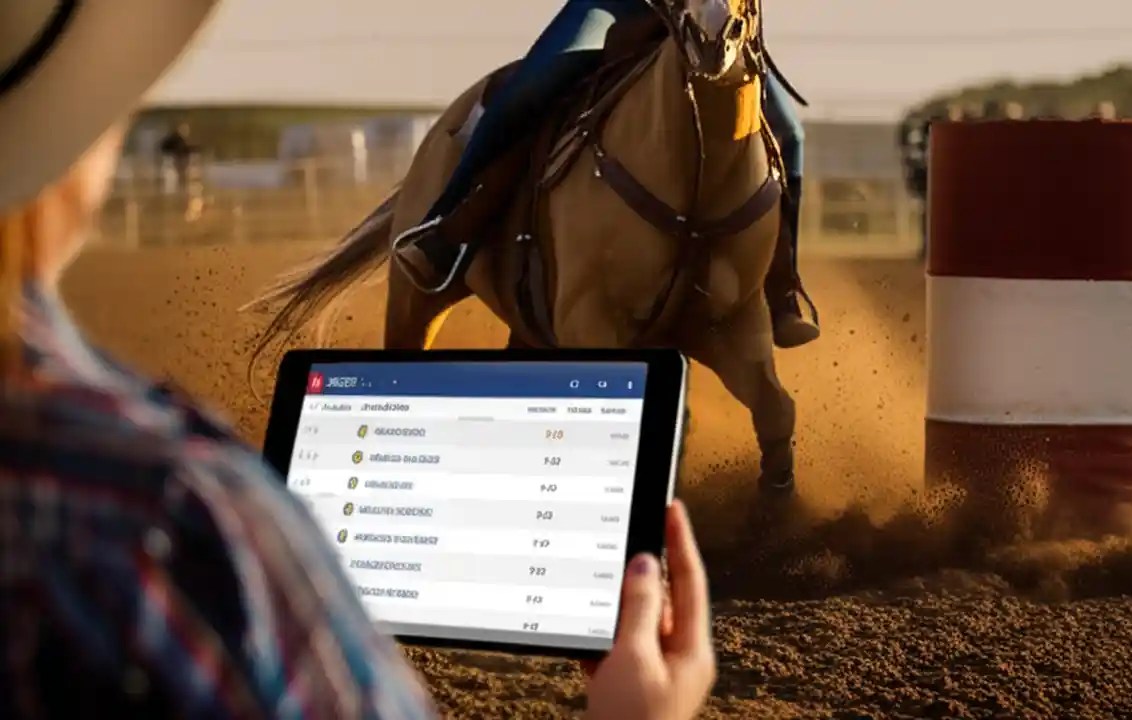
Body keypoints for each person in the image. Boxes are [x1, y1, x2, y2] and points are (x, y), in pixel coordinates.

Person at [0, 3, 716, 718]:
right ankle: (450, 223)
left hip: (718, 25)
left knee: (775, 131)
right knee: (530, 89)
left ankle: (773, 277)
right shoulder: (175, 519)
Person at [390, 0, 818, 348]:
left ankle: (782, 288)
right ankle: (443, 233)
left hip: (716, 19)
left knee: (790, 134)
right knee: (527, 91)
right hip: (617, 7)